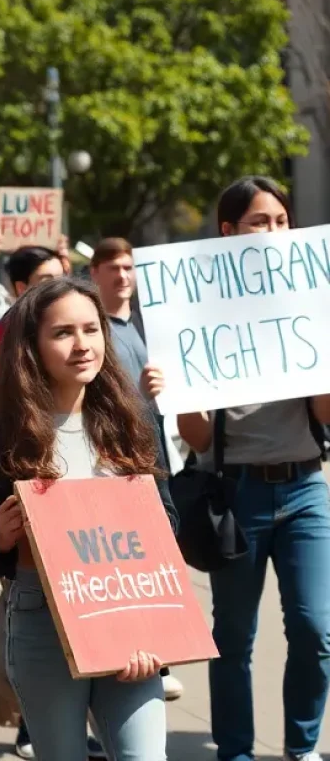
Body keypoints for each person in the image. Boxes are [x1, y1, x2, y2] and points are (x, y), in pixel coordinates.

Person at [0, 277, 173, 761]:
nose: (82, 345)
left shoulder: (134, 418)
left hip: (131, 612)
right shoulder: (1, 429)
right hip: (42, 617)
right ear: (32, 346)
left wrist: (155, 627)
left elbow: (167, 522)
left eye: (91, 329)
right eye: (63, 333)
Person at [177, 176, 330, 761]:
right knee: (233, 638)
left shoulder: (309, 306)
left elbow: (323, 414)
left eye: (281, 221)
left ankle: (302, 746)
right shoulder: (199, 314)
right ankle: (235, 752)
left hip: (304, 488)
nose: (273, 232)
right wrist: (177, 391)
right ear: (227, 232)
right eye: (259, 222)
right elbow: (194, 437)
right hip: (234, 495)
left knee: (315, 630)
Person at [90, 237, 184, 705]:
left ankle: (155, 655)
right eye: (113, 268)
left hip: (155, 460)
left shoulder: (149, 328)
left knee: (153, 559)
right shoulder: (93, 330)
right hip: (110, 466)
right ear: (95, 274)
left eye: (129, 267)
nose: (123, 275)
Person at [0, 246, 65, 371]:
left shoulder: (75, 331)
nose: (60, 287)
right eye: (47, 280)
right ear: (22, 288)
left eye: (62, 279)